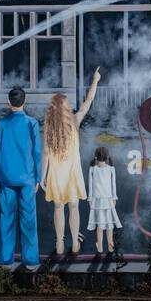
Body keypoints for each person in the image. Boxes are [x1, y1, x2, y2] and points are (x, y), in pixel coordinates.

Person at [40, 67, 101, 256]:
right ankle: (75, 242)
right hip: (72, 173)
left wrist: (42, 177)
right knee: (74, 208)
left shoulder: (49, 128)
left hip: (56, 175)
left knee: (58, 208)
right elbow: (88, 102)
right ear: (66, 109)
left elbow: (45, 153)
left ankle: (59, 243)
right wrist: (95, 80)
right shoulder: (75, 121)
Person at [0, 86, 43, 272]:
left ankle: (5, 261)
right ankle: (31, 261)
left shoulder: (1, 125)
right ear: (25, 101)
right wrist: (38, 176)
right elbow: (37, 152)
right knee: (29, 219)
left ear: (8, 102)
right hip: (28, 178)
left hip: (6, 178)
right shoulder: (32, 123)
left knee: (6, 218)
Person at [87, 146, 123, 258]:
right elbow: (113, 185)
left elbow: (91, 186)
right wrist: (114, 198)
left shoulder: (92, 169)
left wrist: (90, 199)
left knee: (99, 225)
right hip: (108, 200)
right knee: (109, 224)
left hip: (97, 201)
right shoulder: (111, 169)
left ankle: (100, 247)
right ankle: (110, 246)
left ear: (96, 157)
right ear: (107, 157)